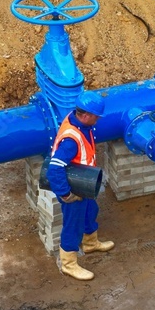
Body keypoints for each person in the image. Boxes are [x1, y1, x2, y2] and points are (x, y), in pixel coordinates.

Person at [47, 90, 115, 281]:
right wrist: (65, 194)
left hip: (84, 181)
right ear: (85, 115)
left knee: (90, 210)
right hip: (74, 186)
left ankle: (90, 243)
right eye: (96, 117)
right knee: (73, 224)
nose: (98, 120)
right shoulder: (71, 140)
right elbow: (55, 168)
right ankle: (69, 264)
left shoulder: (77, 119)